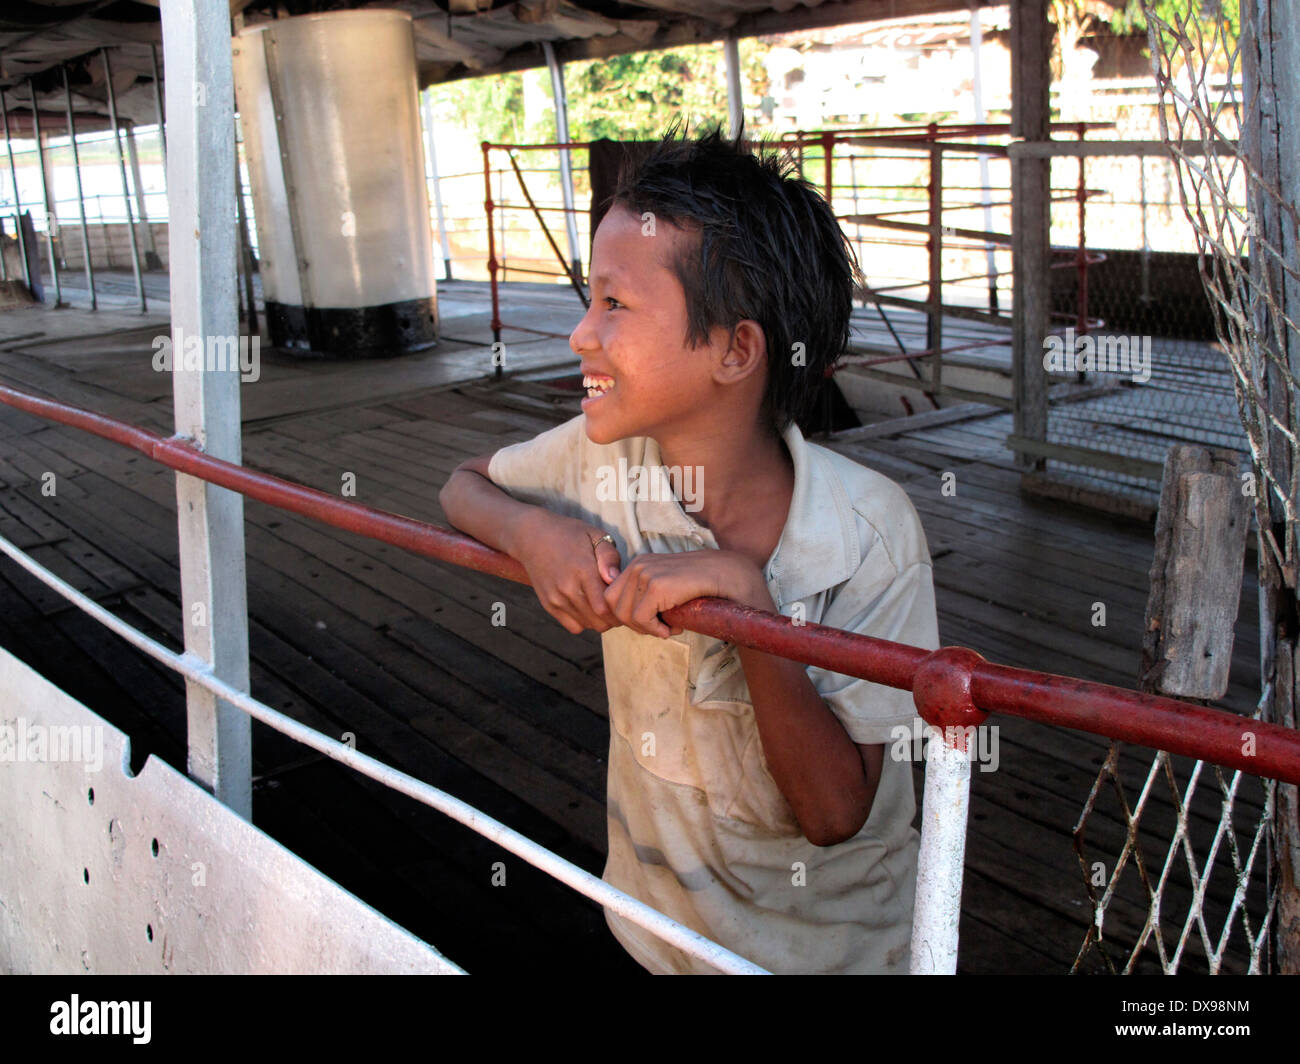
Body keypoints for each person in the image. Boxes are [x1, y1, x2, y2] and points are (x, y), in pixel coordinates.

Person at [439, 122, 939, 974]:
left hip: (830, 960)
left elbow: (833, 812)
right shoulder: (599, 459)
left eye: (616, 305)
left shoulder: (869, 536)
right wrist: (533, 533)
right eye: (590, 300)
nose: (580, 335)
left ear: (737, 350)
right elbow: (462, 486)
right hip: (647, 934)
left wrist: (750, 608)